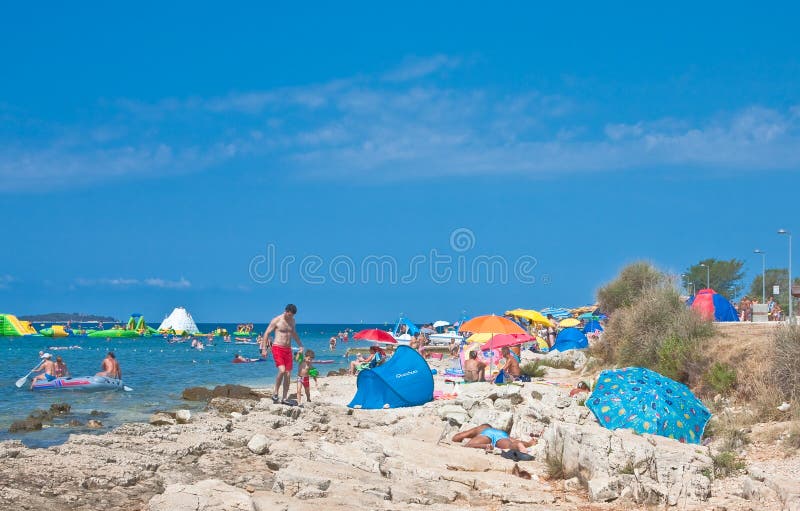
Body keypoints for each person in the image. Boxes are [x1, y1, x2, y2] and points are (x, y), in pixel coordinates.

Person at [263, 304, 304, 405]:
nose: (291, 317)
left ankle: (285, 398)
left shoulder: (293, 321)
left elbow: (293, 333)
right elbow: (266, 333)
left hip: (288, 349)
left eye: (292, 316)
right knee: (282, 370)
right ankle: (275, 392)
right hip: (277, 347)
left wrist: (300, 345)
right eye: (289, 315)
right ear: (285, 311)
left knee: (288, 374)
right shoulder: (277, 320)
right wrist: (264, 348)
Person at [452, 424, 537, 453]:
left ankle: (485, 446)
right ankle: (519, 446)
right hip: (503, 435)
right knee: (511, 445)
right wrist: (529, 443)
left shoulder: (481, 428)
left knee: (468, 445)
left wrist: (459, 438)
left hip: (486, 434)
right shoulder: (498, 431)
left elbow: (457, 437)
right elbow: (514, 440)